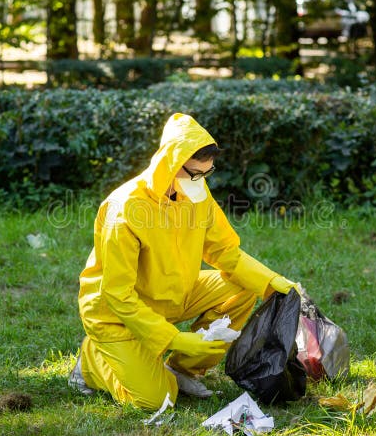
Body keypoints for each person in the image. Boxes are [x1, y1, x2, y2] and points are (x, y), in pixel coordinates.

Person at [69, 112, 299, 410]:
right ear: (170, 166)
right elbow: (118, 295)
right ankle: (91, 361)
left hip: (173, 294)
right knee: (156, 401)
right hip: (116, 315)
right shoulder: (125, 210)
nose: (201, 181)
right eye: (195, 174)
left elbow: (226, 252)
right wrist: (174, 338)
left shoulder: (195, 192)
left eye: (207, 173)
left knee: (243, 286)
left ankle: (184, 369)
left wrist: (272, 282)